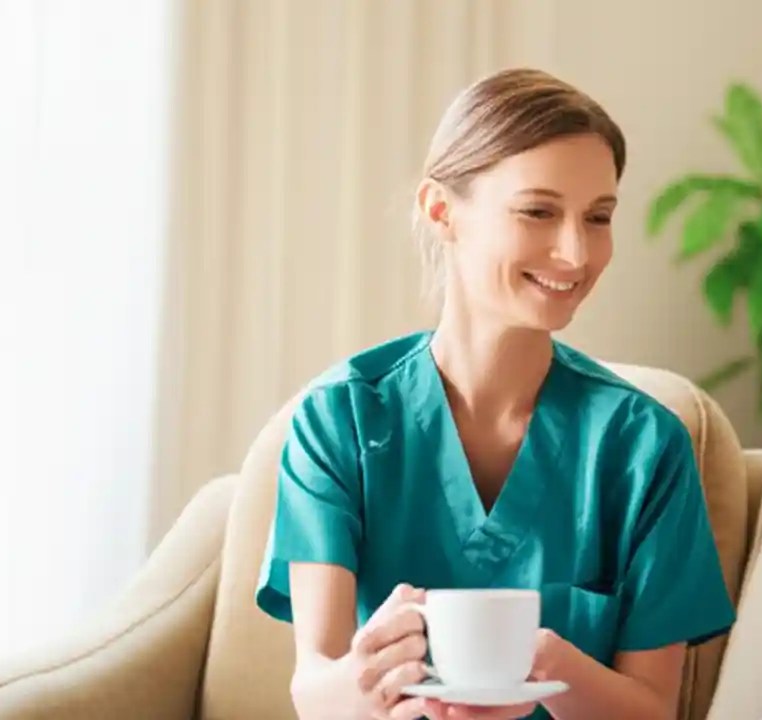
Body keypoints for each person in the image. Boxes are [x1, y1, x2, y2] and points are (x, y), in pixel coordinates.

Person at [254, 68, 735, 720]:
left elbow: (653, 710)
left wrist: (545, 666)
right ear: (441, 210)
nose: (574, 252)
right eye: (538, 211)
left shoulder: (644, 446)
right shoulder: (338, 421)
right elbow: (314, 691)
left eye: (598, 218)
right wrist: (368, 681)